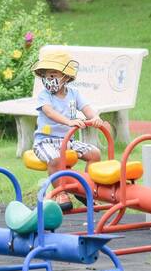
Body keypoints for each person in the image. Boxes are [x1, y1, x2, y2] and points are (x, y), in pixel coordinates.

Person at [32, 48, 101, 209]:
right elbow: (49, 112)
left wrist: (95, 117)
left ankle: (85, 189)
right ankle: (61, 193)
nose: (49, 79)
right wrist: (68, 122)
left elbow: (86, 108)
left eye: (53, 75)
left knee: (95, 154)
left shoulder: (74, 94)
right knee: (56, 158)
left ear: (66, 77)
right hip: (45, 141)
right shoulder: (45, 95)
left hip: (68, 140)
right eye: (47, 76)